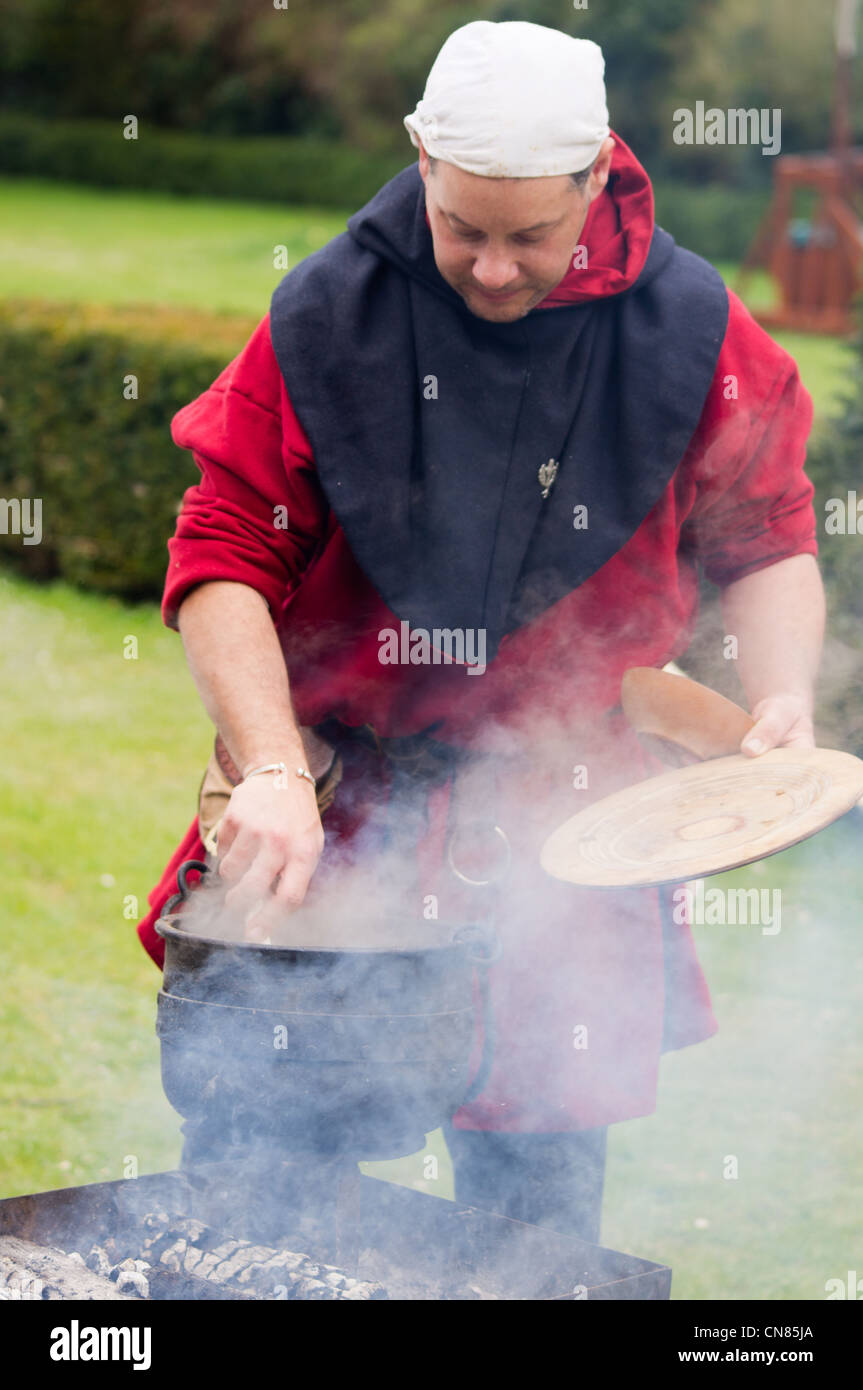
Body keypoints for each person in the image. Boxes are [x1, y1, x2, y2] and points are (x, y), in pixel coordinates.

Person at [137, 20, 822, 1240]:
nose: (493, 271)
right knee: (259, 1200)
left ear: (596, 176)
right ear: (419, 158)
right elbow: (223, 550)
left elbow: (766, 538)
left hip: (566, 835)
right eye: (461, 229)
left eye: (529, 237)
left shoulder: (697, 333)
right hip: (336, 820)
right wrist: (274, 766)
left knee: (533, 1234)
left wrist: (779, 702)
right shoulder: (325, 314)